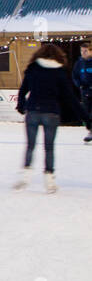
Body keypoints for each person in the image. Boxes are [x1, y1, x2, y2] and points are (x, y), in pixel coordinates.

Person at [14, 43, 88, 193]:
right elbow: (70, 98)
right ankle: (49, 181)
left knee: (30, 145)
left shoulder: (33, 69)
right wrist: (87, 119)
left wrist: (21, 106)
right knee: (49, 147)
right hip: (51, 113)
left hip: (33, 111)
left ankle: (26, 176)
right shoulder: (59, 72)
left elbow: (22, 91)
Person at [73, 42, 92, 143]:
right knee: (86, 112)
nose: (83, 53)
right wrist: (79, 84)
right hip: (84, 91)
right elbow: (75, 75)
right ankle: (90, 130)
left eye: (85, 51)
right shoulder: (79, 63)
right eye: (81, 51)